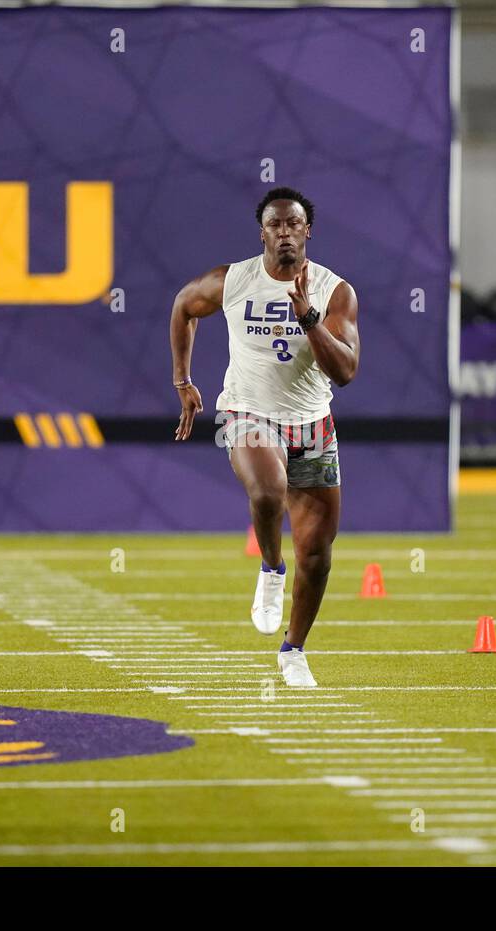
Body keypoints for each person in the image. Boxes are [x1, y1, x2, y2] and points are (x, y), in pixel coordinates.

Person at [169, 186, 360, 687]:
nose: (284, 233)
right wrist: (183, 382)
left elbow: (345, 371)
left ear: (307, 231)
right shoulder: (234, 280)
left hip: (311, 422)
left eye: (293, 224)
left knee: (316, 555)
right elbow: (184, 306)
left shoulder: (334, 290)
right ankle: (272, 567)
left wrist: (309, 319)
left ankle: (293, 650)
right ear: (263, 234)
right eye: (275, 225)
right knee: (268, 490)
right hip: (248, 411)